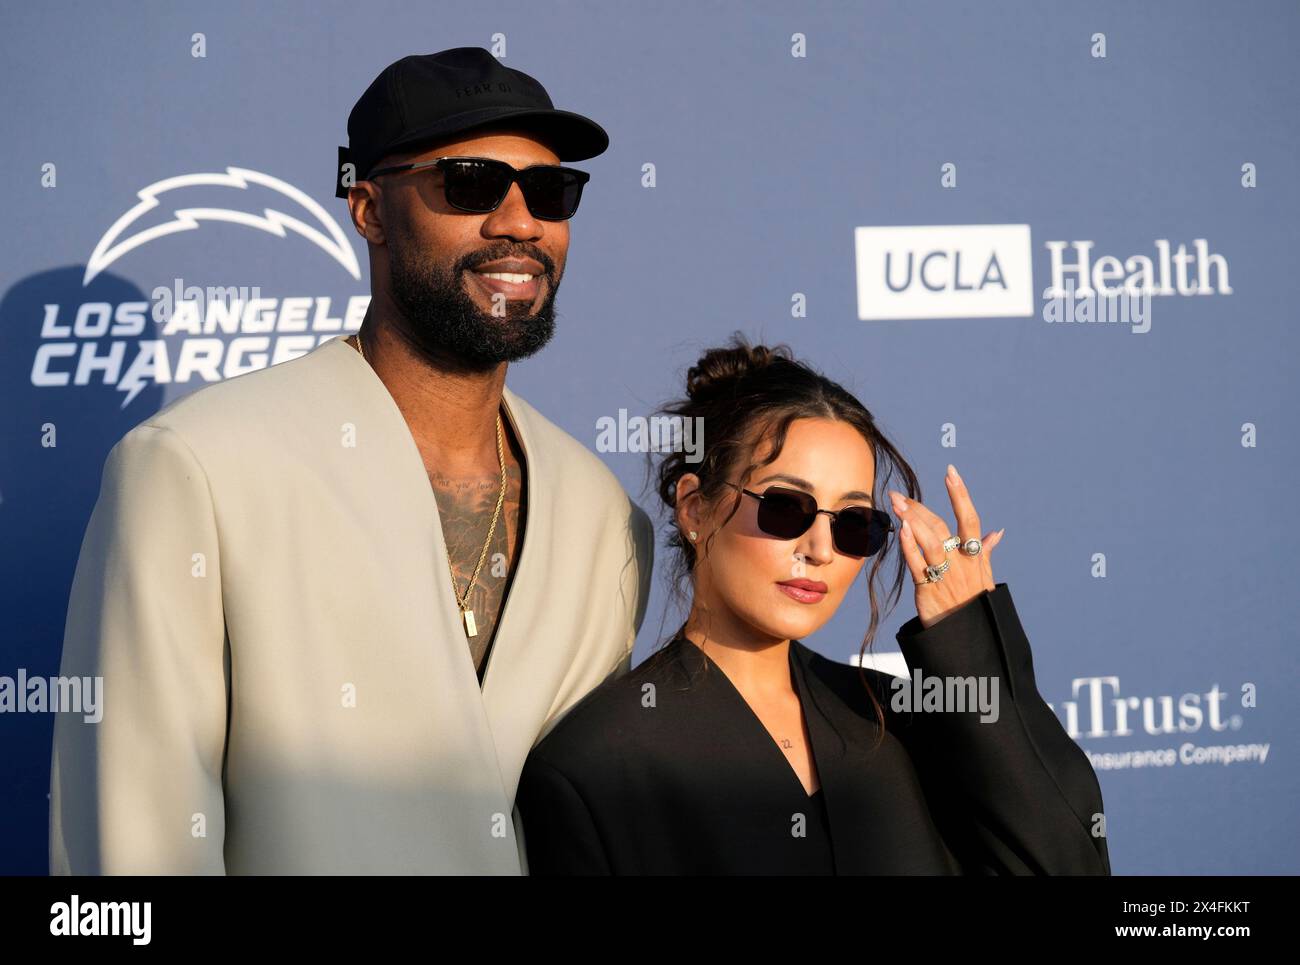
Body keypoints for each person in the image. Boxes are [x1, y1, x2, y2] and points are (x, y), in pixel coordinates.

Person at [49, 47, 653, 874]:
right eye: (470, 183)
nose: (519, 222)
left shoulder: (603, 514)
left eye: (550, 191)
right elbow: (135, 837)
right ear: (368, 208)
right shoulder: (199, 468)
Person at [515, 336, 1112, 875]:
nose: (821, 548)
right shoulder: (594, 769)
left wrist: (967, 637)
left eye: (854, 523)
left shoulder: (900, 719)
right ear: (695, 509)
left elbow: (1065, 863)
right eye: (785, 508)